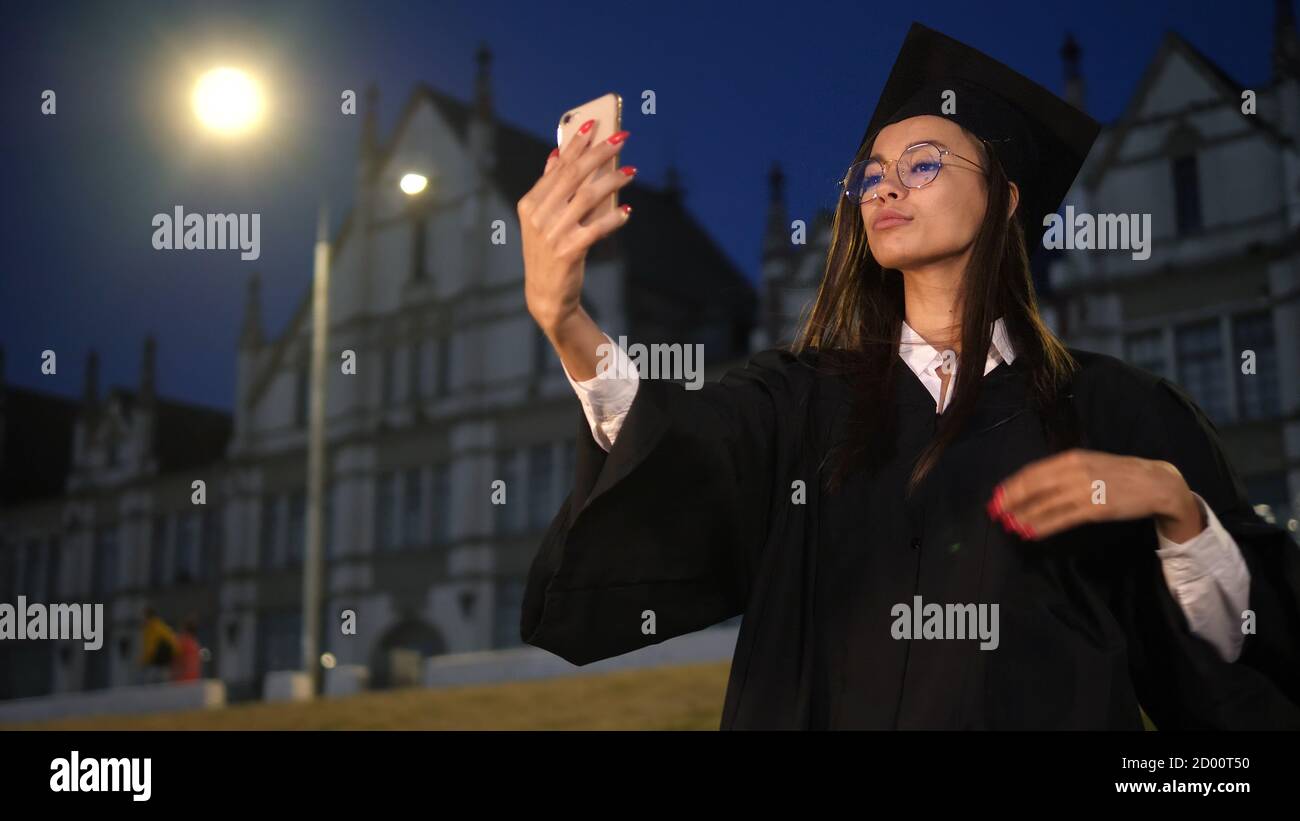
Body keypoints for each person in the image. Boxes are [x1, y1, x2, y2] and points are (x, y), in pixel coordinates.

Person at [515, 22, 1300, 729]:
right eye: (871, 173)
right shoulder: (798, 400)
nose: (884, 187)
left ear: (1004, 197)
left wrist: (1177, 509)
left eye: (924, 164)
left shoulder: (1116, 411)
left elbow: (1239, 659)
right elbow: (682, 453)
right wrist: (567, 321)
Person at [137, 606, 177, 685]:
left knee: (153, 685)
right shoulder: (160, 625)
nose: (142, 619)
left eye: (143, 616)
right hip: (164, 662)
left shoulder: (152, 628)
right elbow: (174, 643)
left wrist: (142, 662)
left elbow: (150, 648)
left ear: (147, 616)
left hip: (157, 663)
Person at [170, 617, 202, 683]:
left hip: (181, 681)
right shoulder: (195, 644)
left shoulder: (182, 642)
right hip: (194, 680)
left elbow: (174, 660)